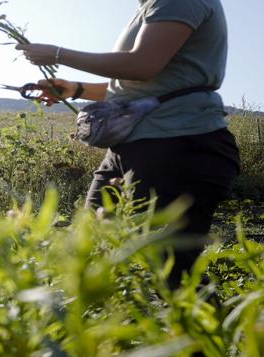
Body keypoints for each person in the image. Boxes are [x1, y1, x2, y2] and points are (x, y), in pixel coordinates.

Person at [17, 0, 239, 285]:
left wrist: (58, 54)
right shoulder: (150, 6)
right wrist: (76, 89)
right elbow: (135, 87)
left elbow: (142, 65)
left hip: (178, 146)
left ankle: (206, 314)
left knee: (169, 271)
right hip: (135, 147)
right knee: (91, 245)